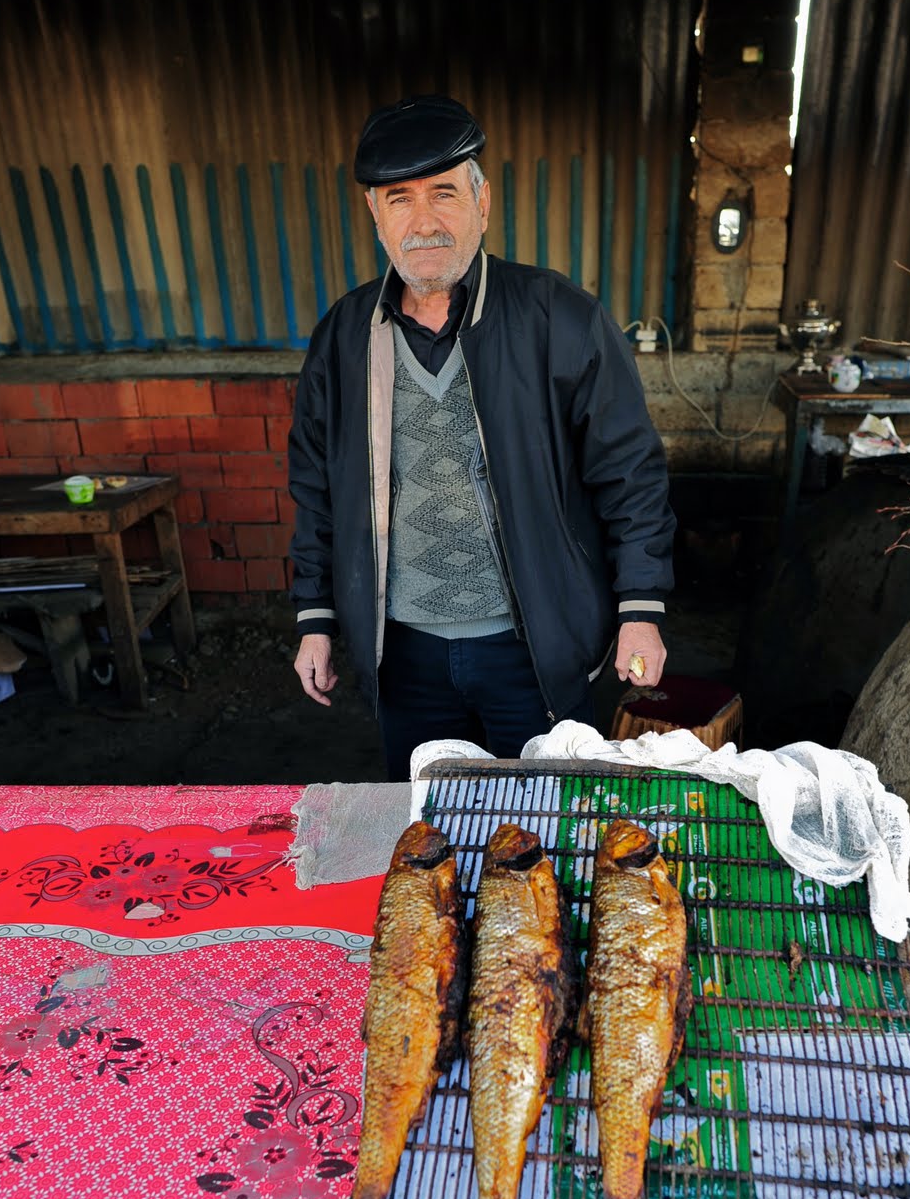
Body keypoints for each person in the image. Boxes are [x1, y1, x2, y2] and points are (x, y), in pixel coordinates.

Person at [288, 94, 676, 779]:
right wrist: (315, 618)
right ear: (375, 214)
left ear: (482, 201)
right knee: (431, 833)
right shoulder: (344, 336)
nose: (425, 220)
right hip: (401, 650)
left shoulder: (560, 317)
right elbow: (315, 485)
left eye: (444, 192)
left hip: (533, 646)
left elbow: (629, 472)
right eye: (399, 199)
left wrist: (638, 609)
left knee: (543, 831)